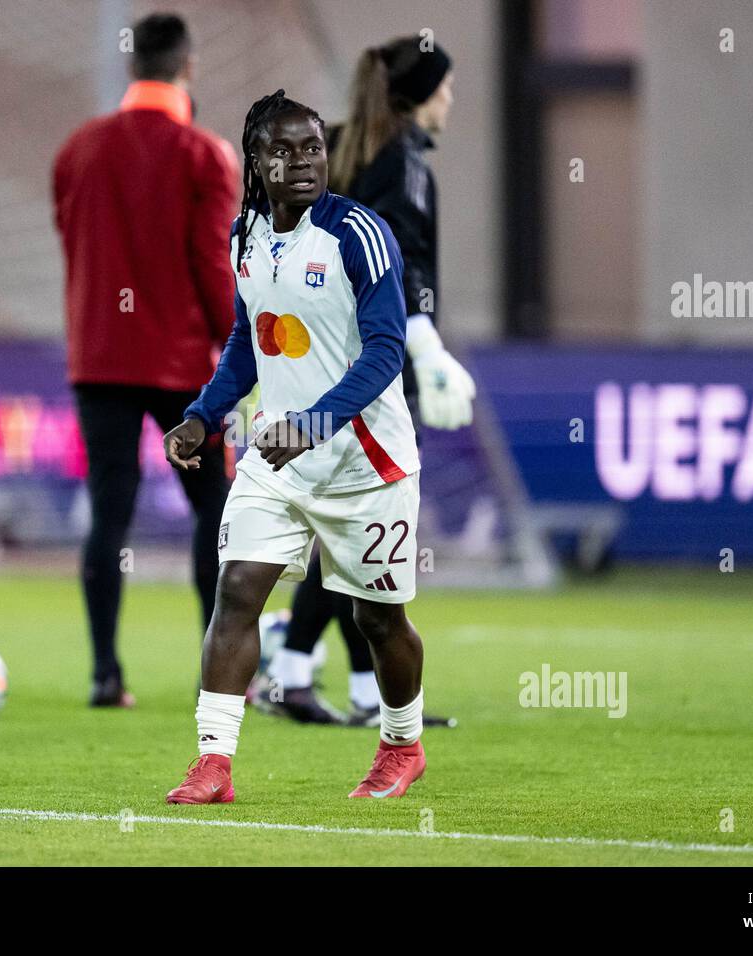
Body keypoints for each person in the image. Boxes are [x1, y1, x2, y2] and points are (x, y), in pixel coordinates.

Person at [162, 91, 428, 803]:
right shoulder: (243, 235)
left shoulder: (359, 235)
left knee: (377, 617)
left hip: (365, 464)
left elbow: (385, 353)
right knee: (238, 588)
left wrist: (313, 422)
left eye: (312, 146)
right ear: (256, 159)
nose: (302, 160)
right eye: (283, 149)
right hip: (276, 460)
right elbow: (248, 344)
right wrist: (202, 416)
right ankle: (213, 763)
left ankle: (403, 744)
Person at [249, 38, 474, 728]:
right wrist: (426, 344)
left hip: (308, 363)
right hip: (370, 369)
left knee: (341, 523)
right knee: (359, 526)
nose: (452, 99)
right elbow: (404, 267)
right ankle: (290, 673)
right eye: (447, 86)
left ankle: (359, 690)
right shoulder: (401, 161)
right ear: (423, 93)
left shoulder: (342, 144)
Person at [52, 13, 239, 708]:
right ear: (187, 67)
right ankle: (214, 674)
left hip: (99, 356)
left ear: (132, 68)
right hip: (183, 364)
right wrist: (239, 349)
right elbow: (210, 266)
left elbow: (71, 240)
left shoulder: (79, 149)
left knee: (109, 513)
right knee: (213, 510)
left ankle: (105, 673)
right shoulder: (204, 155)